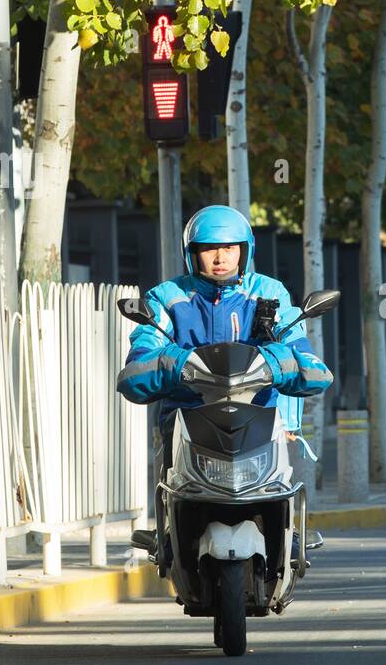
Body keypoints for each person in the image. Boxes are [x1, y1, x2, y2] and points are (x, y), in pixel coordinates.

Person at [115, 204, 333, 554]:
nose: (220, 257)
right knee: (169, 448)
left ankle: (286, 526)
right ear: (192, 254)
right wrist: (170, 361)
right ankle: (168, 529)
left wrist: (285, 361)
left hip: (258, 417)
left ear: (244, 250)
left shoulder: (269, 294)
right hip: (189, 415)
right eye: (209, 248)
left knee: (282, 469)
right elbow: (139, 361)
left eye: (229, 248)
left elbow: (303, 354)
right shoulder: (167, 298)